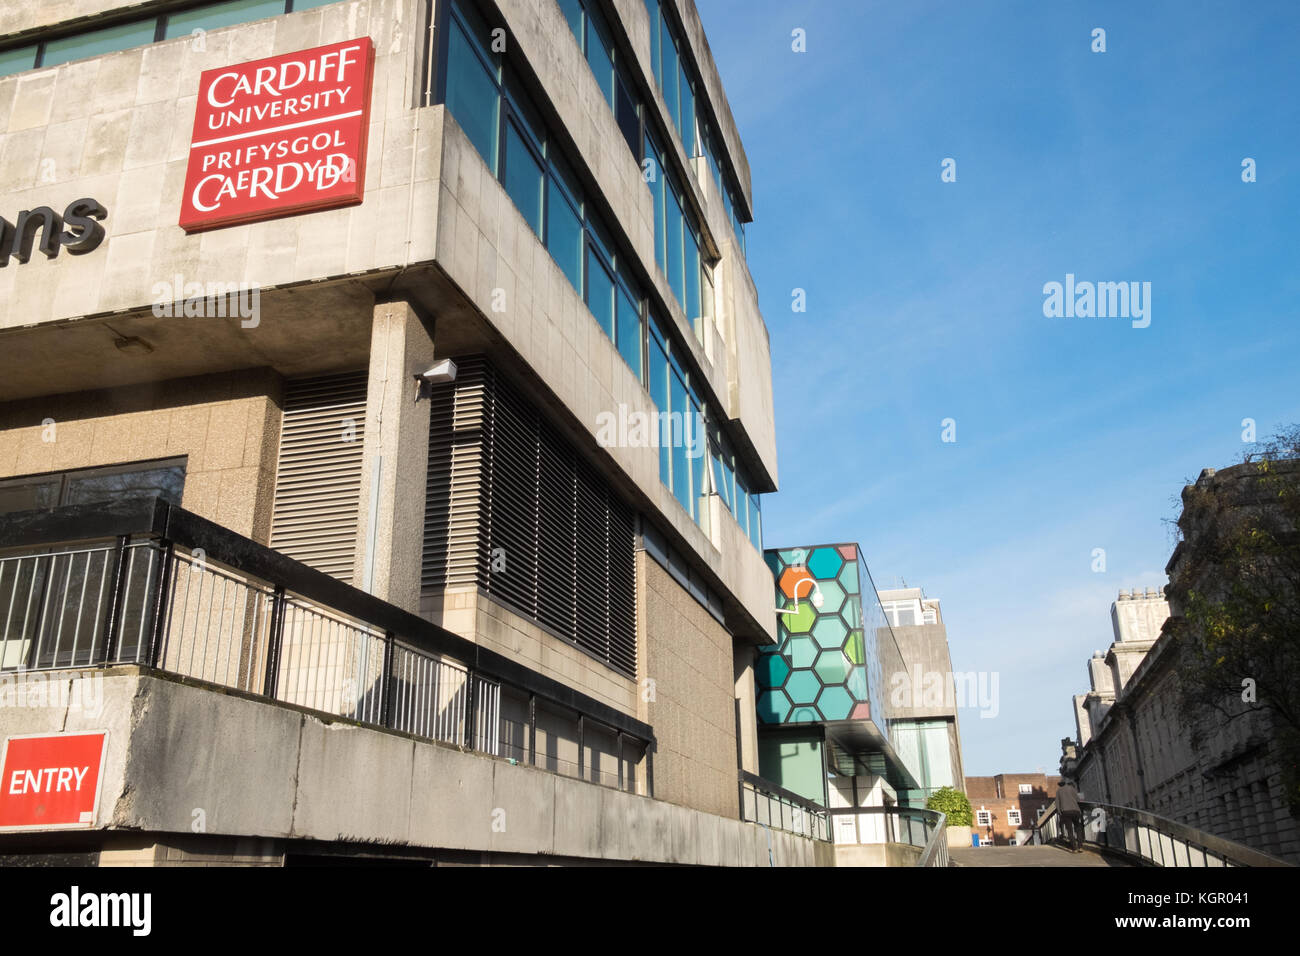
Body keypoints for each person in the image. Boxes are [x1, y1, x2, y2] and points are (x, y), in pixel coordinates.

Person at [1056, 778, 1083, 851]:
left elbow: (1057, 803)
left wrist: (1059, 812)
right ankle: (1080, 846)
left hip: (1065, 812)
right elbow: (1078, 799)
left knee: (1070, 830)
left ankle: (1074, 847)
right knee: (1078, 828)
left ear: (1060, 785)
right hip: (1075, 810)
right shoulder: (1072, 788)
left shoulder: (1058, 791)